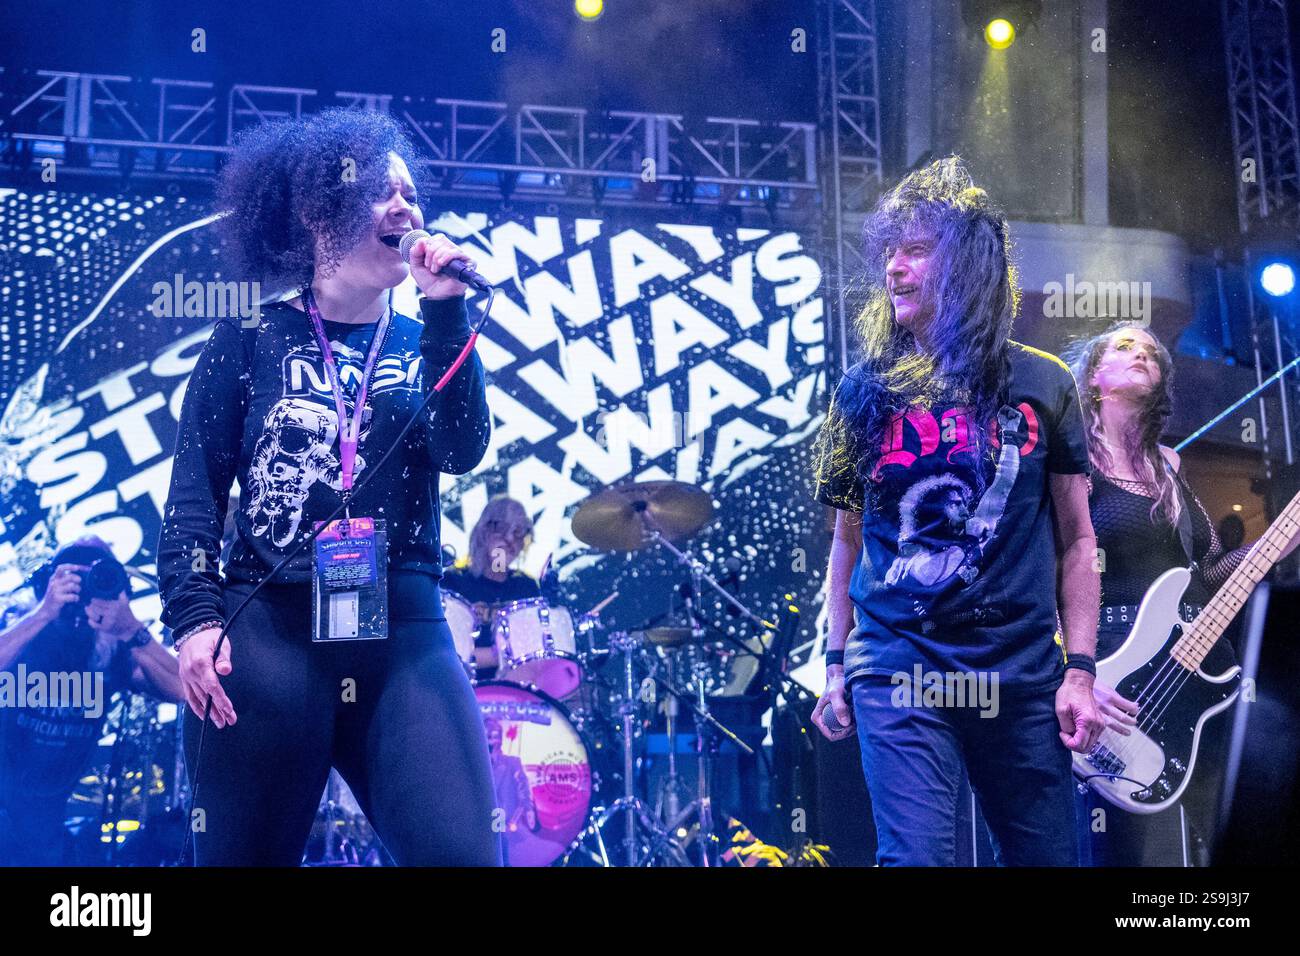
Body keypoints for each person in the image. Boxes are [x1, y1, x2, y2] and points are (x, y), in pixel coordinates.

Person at [157, 108, 500, 865]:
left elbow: (462, 448)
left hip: (403, 635)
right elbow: (194, 500)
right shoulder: (249, 335)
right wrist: (192, 621)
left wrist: (446, 314)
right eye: (382, 192)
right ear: (318, 215)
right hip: (269, 631)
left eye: (412, 193)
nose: (406, 208)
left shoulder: (424, 338)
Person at [810, 156, 1103, 866]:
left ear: (966, 263)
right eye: (889, 252)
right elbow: (846, 542)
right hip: (900, 666)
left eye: (915, 251)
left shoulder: (1043, 380)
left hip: (1021, 673)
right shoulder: (864, 389)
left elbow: (1078, 538)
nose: (894, 269)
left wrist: (1082, 671)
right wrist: (834, 663)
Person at [1066, 322, 1300, 865]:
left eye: (1151, 352)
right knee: (1122, 855)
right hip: (1115, 682)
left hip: (1203, 678)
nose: (1142, 355)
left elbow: (1211, 572)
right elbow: (1041, 576)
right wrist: (1072, 675)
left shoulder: (1168, 467)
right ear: (1093, 376)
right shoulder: (1072, 462)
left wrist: (1279, 540)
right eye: (1124, 347)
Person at [0, 537, 181, 866]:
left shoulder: (109, 650)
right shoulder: (20, 628)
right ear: (48, 582)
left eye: (93, 579)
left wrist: (131, 629)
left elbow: (185, 688)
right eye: (72, 578)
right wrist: (43, 614)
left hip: (45, 817)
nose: (82, 590)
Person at [441, 496, 540, 678]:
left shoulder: (527, 587)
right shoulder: (454, 581)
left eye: (518, 532)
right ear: (484, 531)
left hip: (517, 691)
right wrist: (500, 655)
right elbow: (446, 654)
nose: (510, 539)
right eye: (501, 528)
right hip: (465, 690)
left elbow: (536, 654)